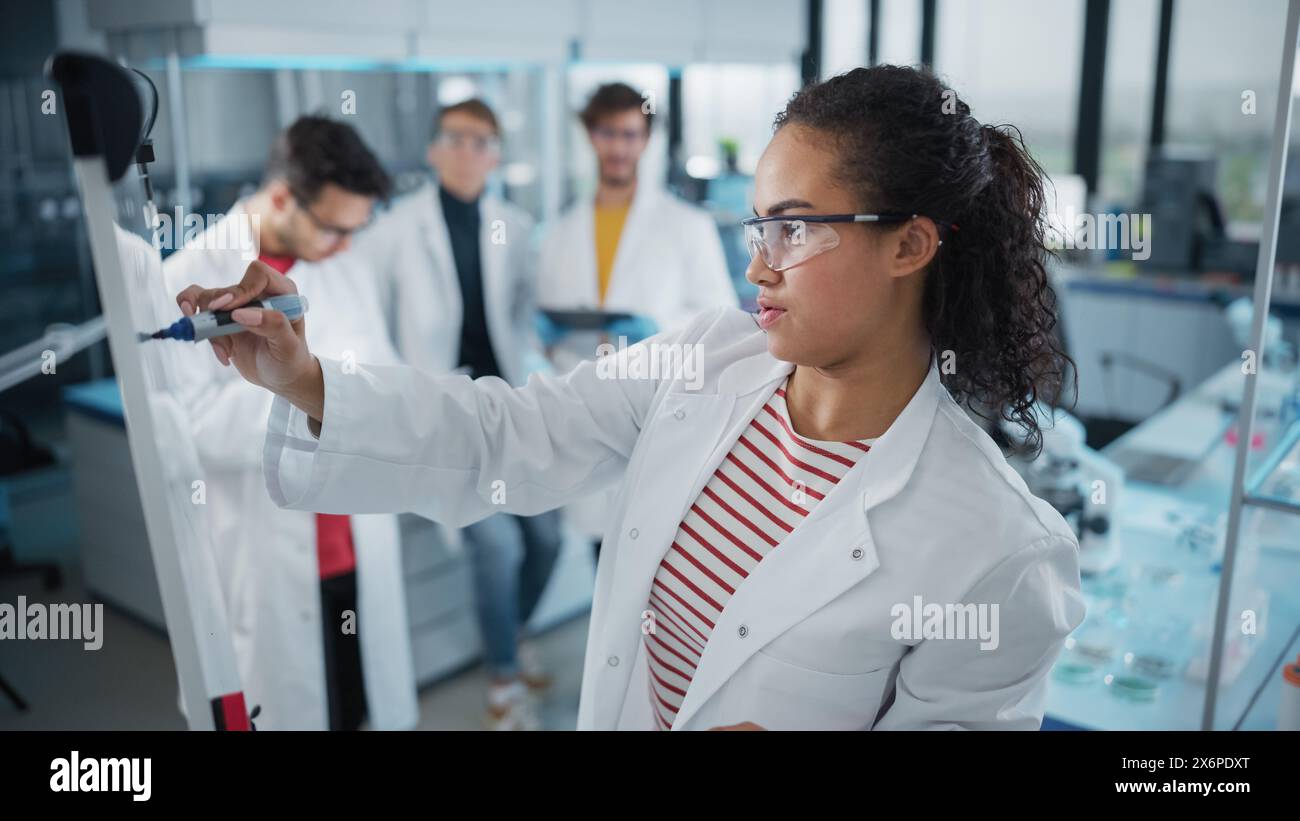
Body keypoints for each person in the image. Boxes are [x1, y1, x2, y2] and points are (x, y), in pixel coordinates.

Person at [178, 66, 1086, 730]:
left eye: (795, 227)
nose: (757, 262)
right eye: (759, 223)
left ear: (910, 245)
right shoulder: (706, 359)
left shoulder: (1001, 553)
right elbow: (507, 434)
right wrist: (303, 378)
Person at [163, 115, 417, 731]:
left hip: (355, 541)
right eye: (333, 227)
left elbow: (382, 373)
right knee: (291, 709)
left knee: (357, 708)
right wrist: (309, 392)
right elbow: (191, 431)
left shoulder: (340, 264)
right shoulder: (187, 278)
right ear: (280, 197)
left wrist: (339, 395)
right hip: (266, 548)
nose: (345, 244)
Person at [352, 98, 561, 730]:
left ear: (496, 156)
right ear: (434, 149)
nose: (469, 152)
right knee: (496, 545)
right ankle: (504, 680)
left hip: (507, 411)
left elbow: (523, 318)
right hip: (442, 419)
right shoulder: (391, 232)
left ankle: (513, 632)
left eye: (482, 142)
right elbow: (376, 331)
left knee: (548, 538)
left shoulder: (514, 226)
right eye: (457, 139)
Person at [536, 82, 738, 546]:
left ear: (646, 140)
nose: (618, 146)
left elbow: (722, 323)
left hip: (659, 408)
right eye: (607, 133)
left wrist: (656, 330)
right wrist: (546, 333)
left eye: (630, 134)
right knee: (597, 554)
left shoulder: (687, 226)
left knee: (656, 555)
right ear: (591, 137)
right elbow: (544, 339)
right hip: (585, 415)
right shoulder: (559, 233)